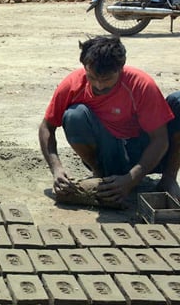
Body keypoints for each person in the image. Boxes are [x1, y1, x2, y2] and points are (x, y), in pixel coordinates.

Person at [39, 36, 180, 204]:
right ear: (85, 67)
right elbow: (46, 127)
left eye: (106, 80)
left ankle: (169, 178)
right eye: (92, 77)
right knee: (74, 115)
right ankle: (102, 175)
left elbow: (160, 139)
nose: (99, 85)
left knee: (178, 101)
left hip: (144, 152)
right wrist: (56, 169)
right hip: (109, 152)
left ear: (120, 69)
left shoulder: (141, 85)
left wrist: (132, 178)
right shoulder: (73, 84)